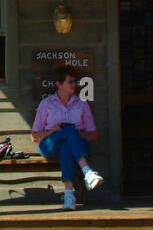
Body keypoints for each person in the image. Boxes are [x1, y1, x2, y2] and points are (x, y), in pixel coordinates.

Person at [30, 64, 103, 210]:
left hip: (76, 144)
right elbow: (34, 136)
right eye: (70, 81)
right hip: (51, 143)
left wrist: (77, 134)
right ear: (59, 84)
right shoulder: (47, 104)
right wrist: (53, 131)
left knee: (67, 144)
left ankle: (69, 195)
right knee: (68, 133)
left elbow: (94, 135)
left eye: (75, 81)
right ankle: (87, 172)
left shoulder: (81, 104)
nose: (74, 85)